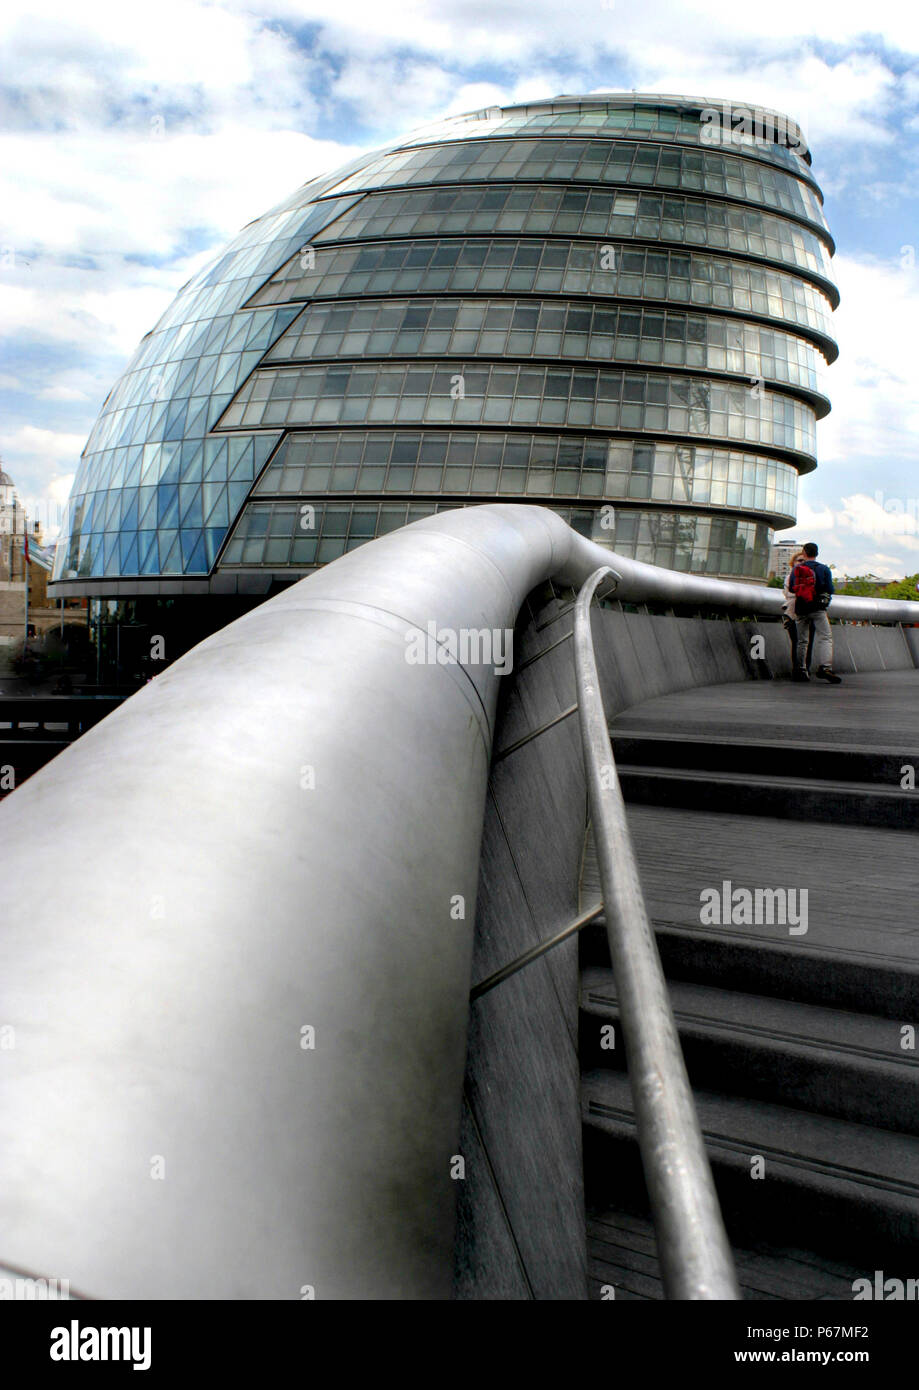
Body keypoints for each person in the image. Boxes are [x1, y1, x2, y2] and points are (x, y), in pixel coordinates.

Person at [788, 542, 841, 684]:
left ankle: (800, 669)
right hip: (817, 608)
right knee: (825, 637)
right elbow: (830, 589)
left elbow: (792, 589)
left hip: (801, 609)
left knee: (802, 640)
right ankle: (825, 667)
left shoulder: (797, 569)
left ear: (804, 553)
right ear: (817, 553)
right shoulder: (823, 569)